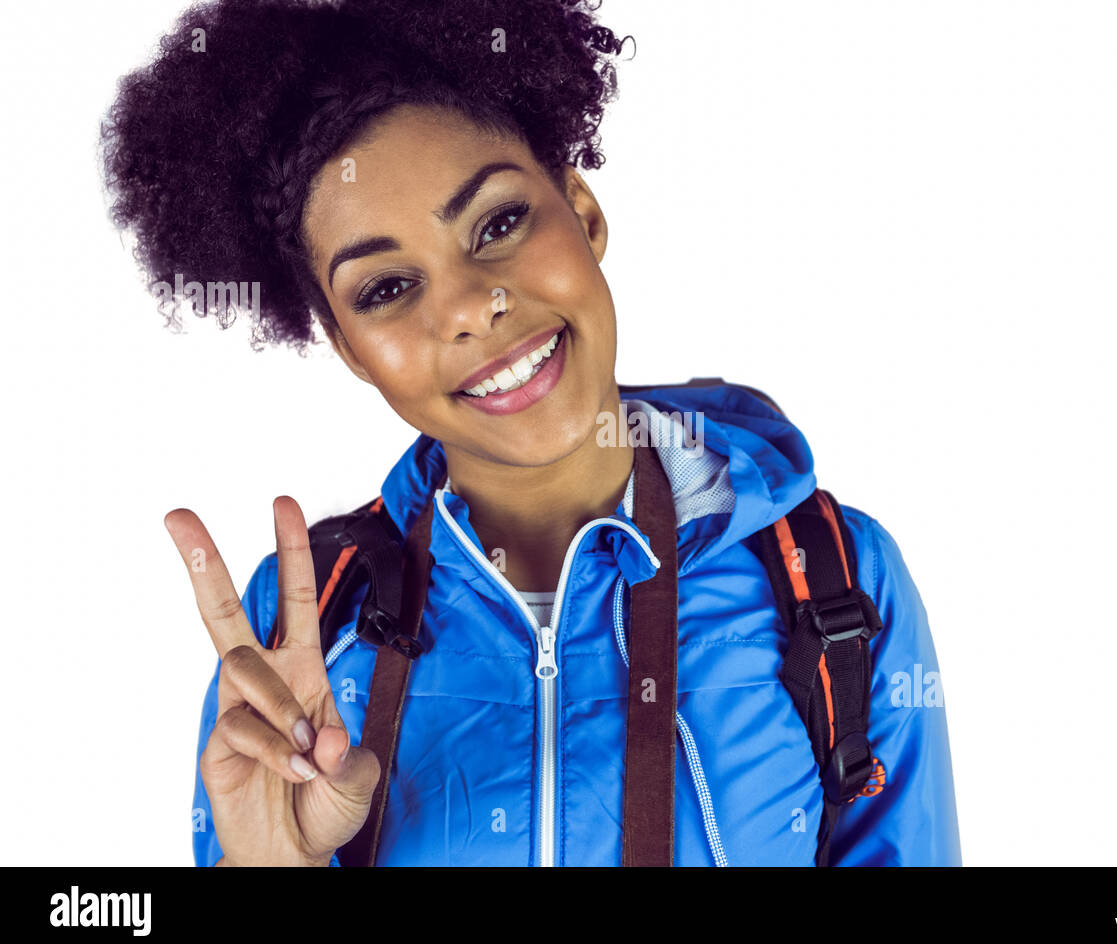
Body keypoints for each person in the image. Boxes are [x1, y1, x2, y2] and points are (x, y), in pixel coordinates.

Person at [101, 0, 961, 866]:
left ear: (582, 210)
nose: (473, 307)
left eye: (499, 223)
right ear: (350, 349)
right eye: (386, 289)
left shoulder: (832, 581)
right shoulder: (304, 625)